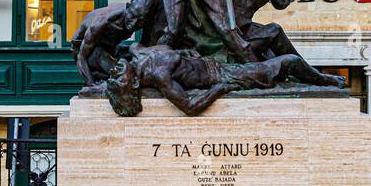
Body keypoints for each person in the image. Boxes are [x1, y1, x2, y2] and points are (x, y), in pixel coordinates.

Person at [104, 42, 345, 117]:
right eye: (118, 79)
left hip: (216, 58)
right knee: (288, 60)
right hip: (225, 74)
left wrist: (188, 54)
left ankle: (318, 79)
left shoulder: (138, 51)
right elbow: (189, 107)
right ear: (134, 83)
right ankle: (324, 80)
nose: (113, 72)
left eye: (112, 75)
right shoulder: (160, 77)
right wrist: (218, 89)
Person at [69, 0, 154, 86]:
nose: (134, 23)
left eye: (141, 21)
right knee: (124, 73)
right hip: (89, 52)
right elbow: (81, 56)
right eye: (133, 16)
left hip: (111, 48)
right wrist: (91, 83)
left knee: (135, 51)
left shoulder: (138, 17)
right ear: (128, 7)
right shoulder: (101, 22)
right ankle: (102, 75)